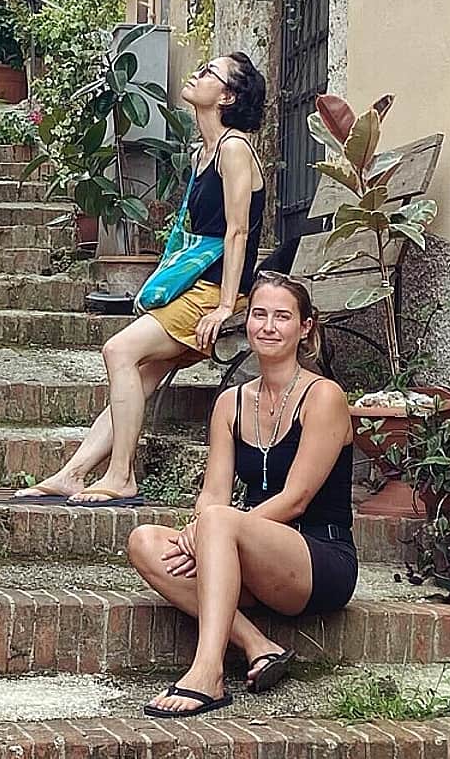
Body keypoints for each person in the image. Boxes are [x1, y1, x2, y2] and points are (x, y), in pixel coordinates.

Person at [16, 52, 268, 503]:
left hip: (213, 291)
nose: (197, 73)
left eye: (209, 72)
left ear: (227, 96)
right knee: (141, 373)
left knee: (119, 351)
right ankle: (73, 473)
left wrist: (227, 306)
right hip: (195, 286)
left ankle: (121, 476)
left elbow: (239, 232)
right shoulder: (203, 152)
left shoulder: (233, 149)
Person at [126, 272, 358, 717]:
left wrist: (216, 526)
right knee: (146, 542)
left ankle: (208, 672)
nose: (268, 326)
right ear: (246, 321)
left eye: (283, 317)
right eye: (259, 315)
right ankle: (259, 645)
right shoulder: (230, 403)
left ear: (305, 327)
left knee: (218, 521)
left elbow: (296, 499)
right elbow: (213, 493)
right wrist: (202, 532)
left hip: (318, 560)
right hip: (250, 554)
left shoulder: (323, 396)